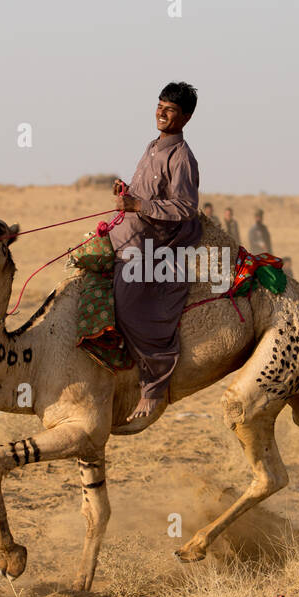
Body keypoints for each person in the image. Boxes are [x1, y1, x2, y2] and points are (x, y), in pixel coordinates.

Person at [109, 81, 203, 423]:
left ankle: (155, 384)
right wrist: (128, 194)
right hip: (129, 231)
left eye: (170, 110)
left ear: (186, 117)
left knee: (128, 300)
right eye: (159, 106)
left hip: (159, 241)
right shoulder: (152, 146)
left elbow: (184, 207)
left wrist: (139, 203)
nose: (161, 113)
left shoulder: (182, 157)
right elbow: (146, 194)